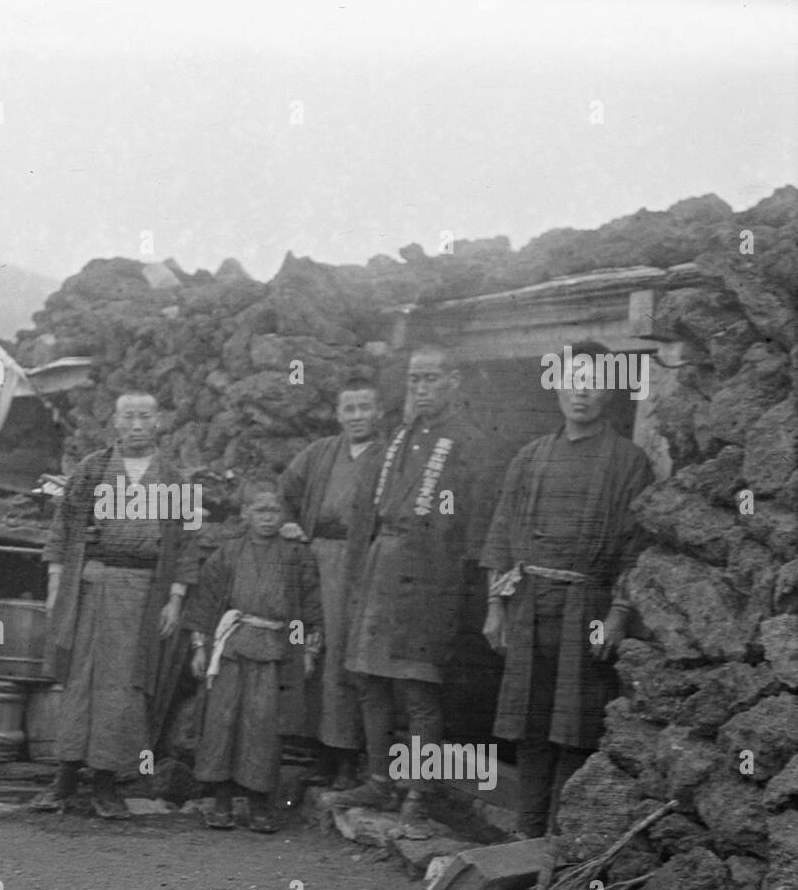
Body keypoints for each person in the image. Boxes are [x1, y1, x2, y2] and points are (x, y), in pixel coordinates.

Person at [480, 341, 654, 838]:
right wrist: (496, 607)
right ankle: (526, 833)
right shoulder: (531, 457)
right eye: (571, 379)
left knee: (574, 729)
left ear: (610, 391)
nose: (581, 392)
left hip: (588, 608)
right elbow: (502, 533)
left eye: (594, 381)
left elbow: (635, 546)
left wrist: (618, 615)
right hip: (530, 605)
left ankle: (562, 841)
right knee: (530, 726)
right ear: (555, 385)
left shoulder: (629, 462)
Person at [327, 344, 492, 818]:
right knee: (368, 678)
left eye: (431, 379)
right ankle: (380, 780)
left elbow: (472, 524)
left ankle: (420, 787)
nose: (421, 388)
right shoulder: (399, 438)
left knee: (418, 686)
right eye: (414, 379)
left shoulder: (469, 442)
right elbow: (368, 511)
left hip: (431, 573)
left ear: (453, 382)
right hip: (383, 563)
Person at [32, 392, 201, 818]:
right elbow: (62, 528)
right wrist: (56, 585)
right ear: (116, 421)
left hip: (143, 593)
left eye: (145, 416)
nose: (137, 424)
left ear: (158, 421)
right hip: (93, 583)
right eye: (129, 417)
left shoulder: (175, 480)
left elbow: (186, 545)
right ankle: (64, 781)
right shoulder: (92, 470)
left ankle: (107, 785)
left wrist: (175, 598)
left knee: (123, 686)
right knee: (81, 677)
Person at [185, 480, 322, 833]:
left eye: (274, 511)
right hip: (231, 646)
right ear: (245, 513)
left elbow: (308, 607)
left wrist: (304, 650)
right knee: (223, 720)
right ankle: (221, 801)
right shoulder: (228, 553)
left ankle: (259, 803)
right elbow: (206, 601)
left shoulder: (296, 555)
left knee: (262, 725)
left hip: (274, 648)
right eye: (259, 510)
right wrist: (200, 647)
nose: (267, 518)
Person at [279, 378, 384, 789]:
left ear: (378, 412)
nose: (358, 416)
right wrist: (290, 524)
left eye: (365, 408)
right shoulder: (321, 452)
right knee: (310, 653)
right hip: (314, 560)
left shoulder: (389, 456)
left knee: (344, 657)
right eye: (350, 409)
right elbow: (283, 492)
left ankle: (345, 757)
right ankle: (314, 752)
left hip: (358, 566)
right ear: (338, 414)